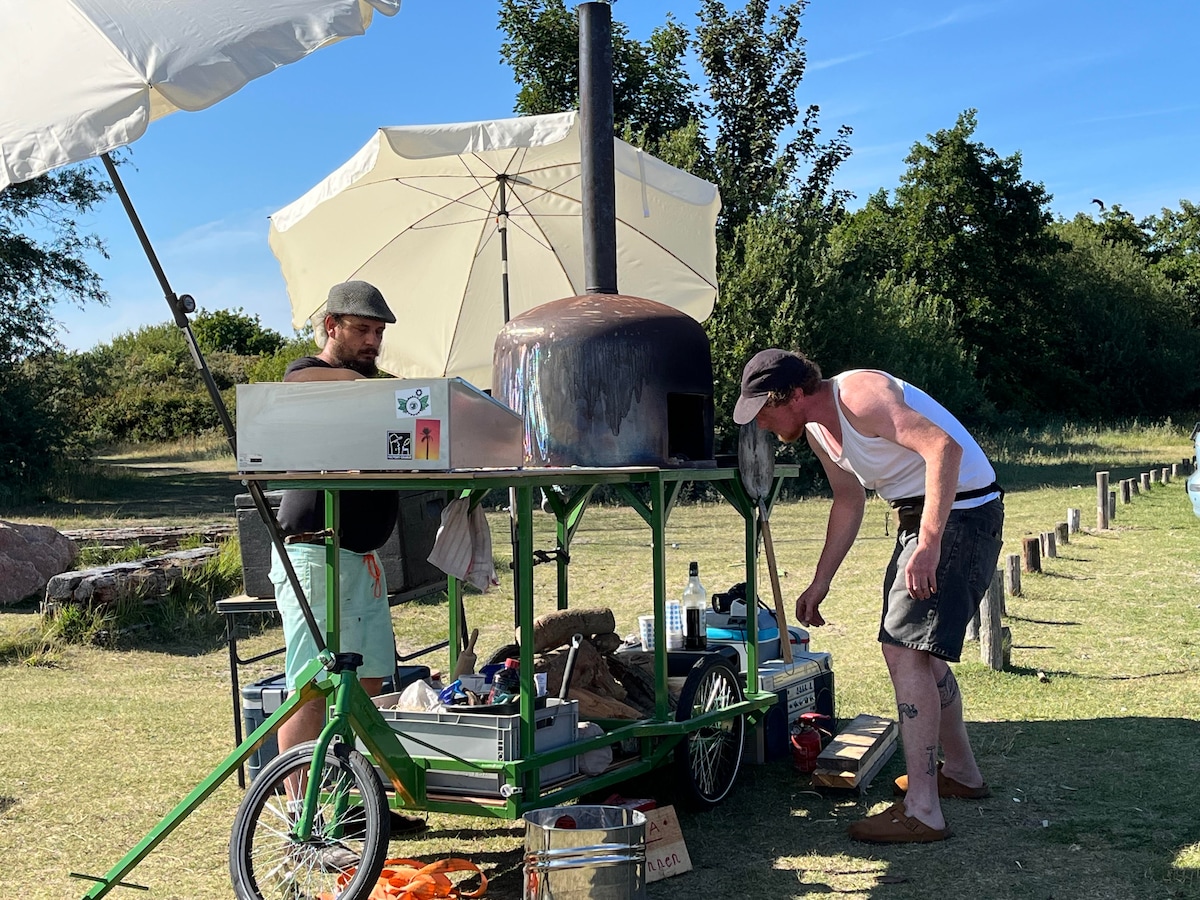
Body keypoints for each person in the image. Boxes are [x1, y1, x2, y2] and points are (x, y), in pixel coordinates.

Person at [733, 349, 1003, 844]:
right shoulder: (817, 430)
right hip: (923, 518)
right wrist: (821, 580)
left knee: (905, 653)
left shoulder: (859, 395)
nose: (764, 426)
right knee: (921, 655)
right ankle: (961, 774)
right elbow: (848, 499)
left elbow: (944, 448)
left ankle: (923, 811)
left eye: (764, 412)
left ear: (791, 395)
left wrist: (928, 543)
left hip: (961, 515)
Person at [269, 279, 424, 835]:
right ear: (331, 325)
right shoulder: (309, 374)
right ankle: (303, 815)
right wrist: (385, 394)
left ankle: (356, 805)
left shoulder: (369, 394)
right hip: (314, 554)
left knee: (371, 685)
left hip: (363, 559)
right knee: (313, 687)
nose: (372, 341)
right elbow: (299, 380)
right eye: (362, 329)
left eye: (379, 332)